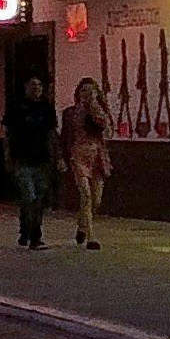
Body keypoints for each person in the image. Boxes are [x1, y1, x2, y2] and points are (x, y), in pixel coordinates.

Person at [2, 70, 58, 249]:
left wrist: (56, 156)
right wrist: (8, 156)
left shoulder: (46, 109)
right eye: (33, 85)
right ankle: (34, 236)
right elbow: (7, 134)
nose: (37, 89)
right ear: (26, 87)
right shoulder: (17, 108)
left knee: (38, 198)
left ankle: (26, 230)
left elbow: (51, 133)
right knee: (29, 196)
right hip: (22, 159)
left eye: (39, 86)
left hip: (42, 159)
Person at [59, 74, 113, 250]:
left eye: (91, 91)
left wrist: (95, 105)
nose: (87, 94)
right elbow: (65, 136)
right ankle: (91, 236)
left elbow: (105, 128)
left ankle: (82, 226)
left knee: (96, 199)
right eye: (84, 90)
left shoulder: (101, 111)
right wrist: (62, 157)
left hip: (97, 155)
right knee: (86, 195)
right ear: (78, 93)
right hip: (79, 155)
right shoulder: (70, 113)